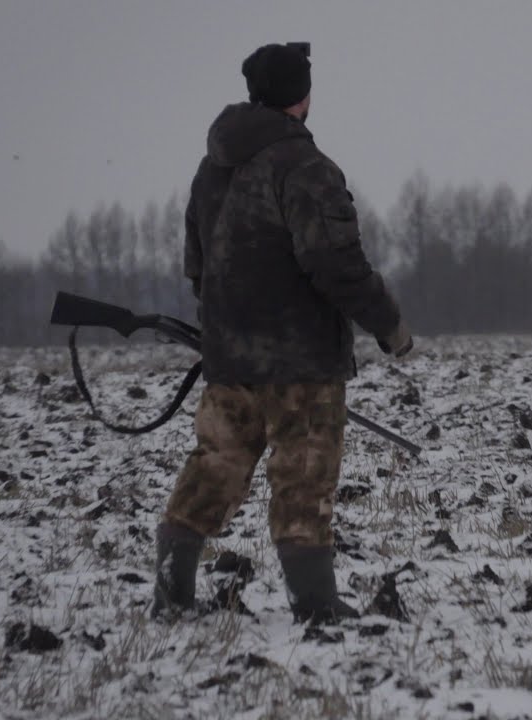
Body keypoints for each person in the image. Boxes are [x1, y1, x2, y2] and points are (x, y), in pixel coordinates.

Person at [152, 42, 412, 624]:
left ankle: (171, 594)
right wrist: (390, 326)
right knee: (303, 476)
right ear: (303, 96)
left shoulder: (212, 169)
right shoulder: (306, 167)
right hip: (302, 365)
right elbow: (337, 265)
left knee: (214, 467)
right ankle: (315, 605)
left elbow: (197, 267)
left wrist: (228, 330)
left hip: (229, 359)